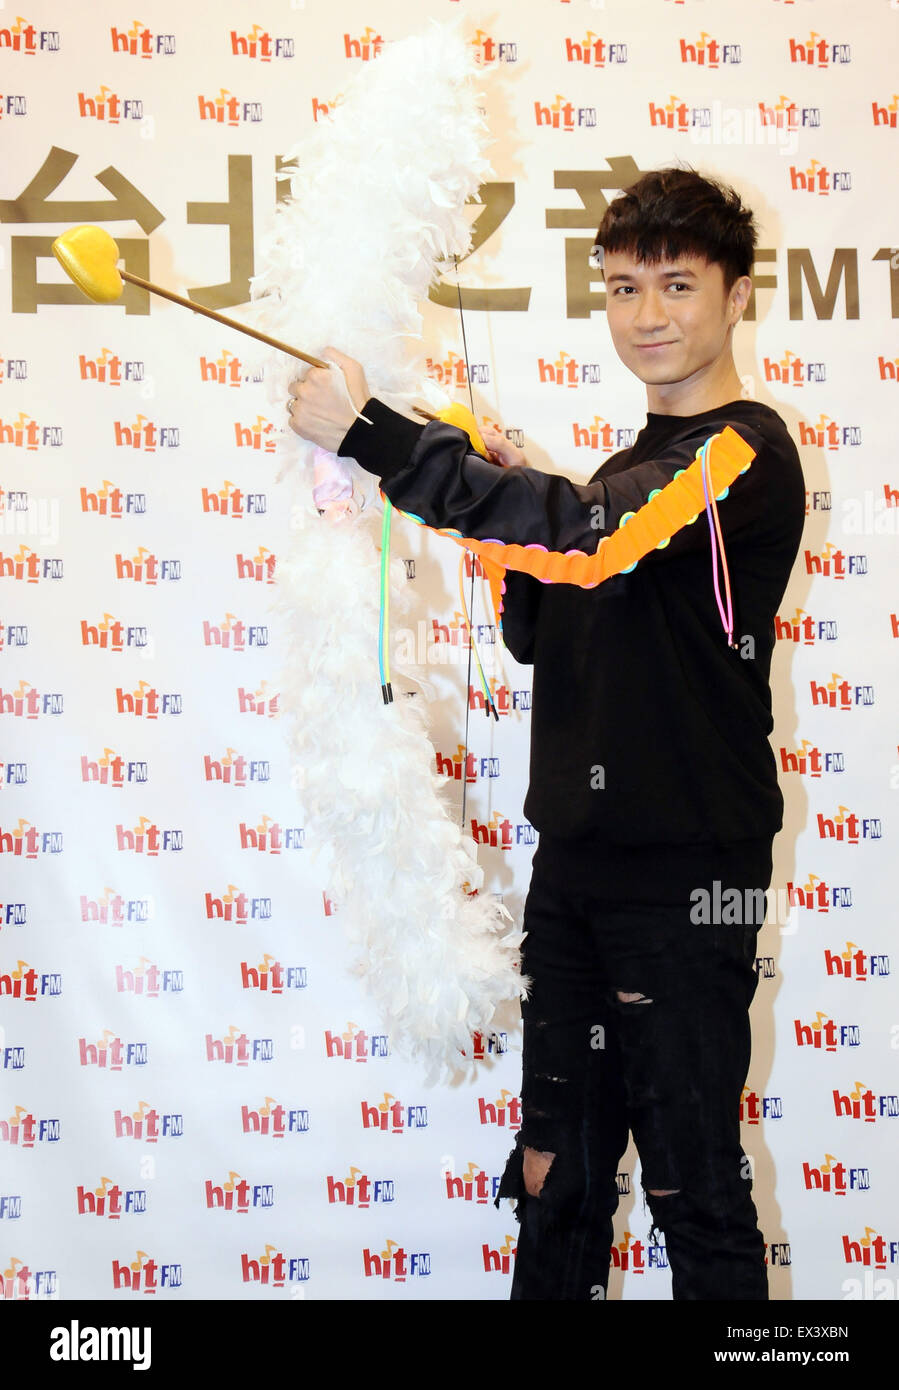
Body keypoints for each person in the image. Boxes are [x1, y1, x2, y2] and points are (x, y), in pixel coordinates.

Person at [287, 167, 805, 1301]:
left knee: (689, 1185)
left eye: (675, 284)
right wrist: (497, 485)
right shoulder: (626, 473)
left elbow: (592, 542)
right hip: (573, 868)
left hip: (684, 878)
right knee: (553, 1175)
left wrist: (381, 438)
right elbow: (545, 618)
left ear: (735, 294)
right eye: (623, 288)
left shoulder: (738, 453)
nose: (648, 314)